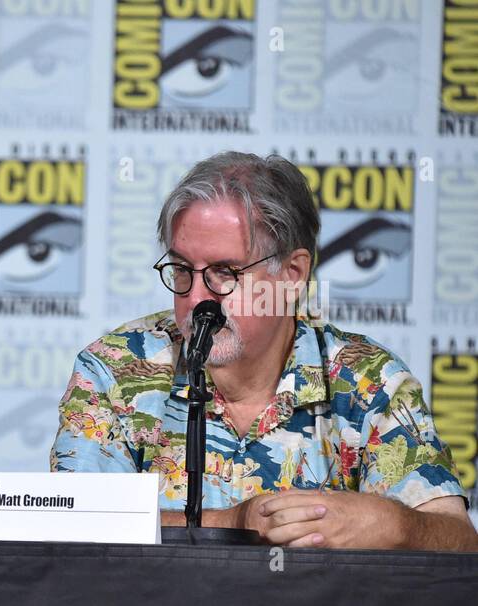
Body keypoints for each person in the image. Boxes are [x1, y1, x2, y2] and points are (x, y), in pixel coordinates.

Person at [51, 152, 476, 551]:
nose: (198, 297)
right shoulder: (114, 370)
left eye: (224, 272)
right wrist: (232, 524)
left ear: (292, 275)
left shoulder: (369, 381)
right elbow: (73, 527)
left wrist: (394, 525)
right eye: (182, 269)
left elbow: (459, 541)